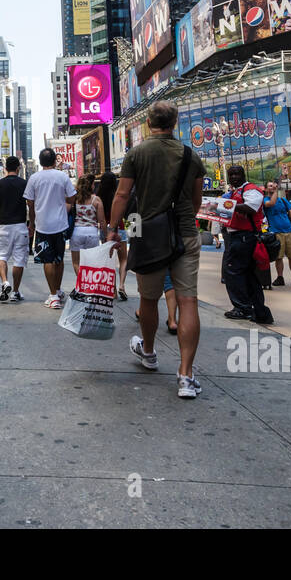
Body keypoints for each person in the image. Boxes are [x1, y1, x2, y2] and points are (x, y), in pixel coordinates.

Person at [108, 100, 205, 399]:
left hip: (148, 235)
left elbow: (123, 195)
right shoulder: (190, 155)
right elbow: (196, 200)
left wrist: (113, 229)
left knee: (148, 300)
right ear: (174, 123)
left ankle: (148, 353)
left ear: (148, 123)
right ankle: (185, 376)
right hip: (186, 234)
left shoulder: (136, 154)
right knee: (188, 301)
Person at [216, 165, 271, 324]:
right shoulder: (235, 191)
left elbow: (251, 208)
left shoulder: (250, 189)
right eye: (231, 174)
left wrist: (225, 206)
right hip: (237, 237)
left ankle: (242, 308)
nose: (233, 177)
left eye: (236, 174)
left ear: (243, 174)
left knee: (233, 272)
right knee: (245, 274)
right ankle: (257, 310)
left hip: (244, 238)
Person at [25, 148, 77, 310]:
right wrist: (64, 207)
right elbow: (72, 197)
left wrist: (32, 224)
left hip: (42, 225)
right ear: (55, 161)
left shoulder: (34, 178)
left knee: (47, 260)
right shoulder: (62, 176)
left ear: (40, 162)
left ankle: (53, 295)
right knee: (59, 259)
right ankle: (58, 290)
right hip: (60, 224)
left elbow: (30, 204)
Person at [0, 157, 29, 303]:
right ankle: (16, 292)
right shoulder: (24, 183)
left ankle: (5, 282)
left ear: (5, 168)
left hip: (4, 226)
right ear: (18, 168)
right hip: (20, 226)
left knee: (1, 256)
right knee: (19, 259)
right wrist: (32, 225)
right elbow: (31, 205)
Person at [68, 172, 106, 294]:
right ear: (90, 185)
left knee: (76, 262)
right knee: (91, 263)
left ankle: (81, 286)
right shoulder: (96, 200)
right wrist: (104, 236)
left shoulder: (75, 199)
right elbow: (102, 221)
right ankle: (90, 287)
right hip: (92, 233)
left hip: (77, 232)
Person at [263, 182, 291, 288]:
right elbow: (271, 203)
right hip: (276, 232)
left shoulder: (283, 200)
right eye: (270, 186)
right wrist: (276, 191)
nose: (273, 187)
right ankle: (280, 277)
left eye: (274, 185)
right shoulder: (265, 200)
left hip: (289, 231)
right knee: (279, 257)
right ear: (266, 189)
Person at [97, 171, 130, 300]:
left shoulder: (99, 198)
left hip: (105, 231)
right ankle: (122, 285)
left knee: (109, 261)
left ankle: (113, 291)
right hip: (120, 228)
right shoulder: (118, 197)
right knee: (123, 259)